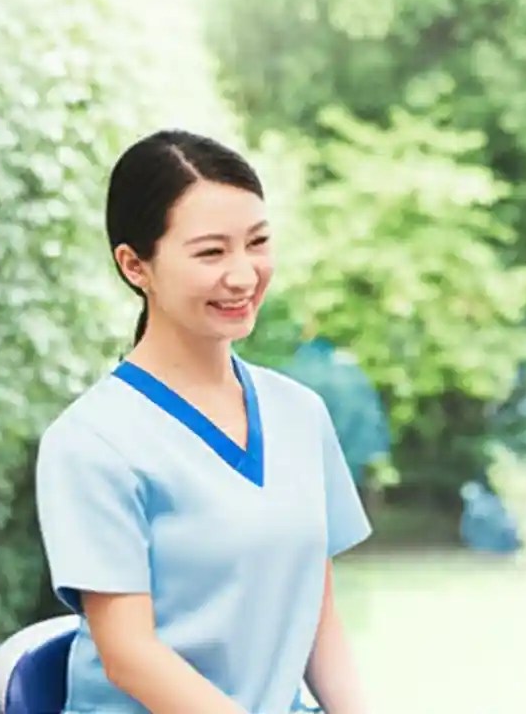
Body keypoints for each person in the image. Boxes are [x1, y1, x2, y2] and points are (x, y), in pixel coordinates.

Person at [35, 130, 372, 714]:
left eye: (258, 243)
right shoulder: (91, 443)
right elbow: (129, 654)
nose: (243, 275)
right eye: (211, 252)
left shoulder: (300, 415)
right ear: (135, 265)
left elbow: (318, 624)